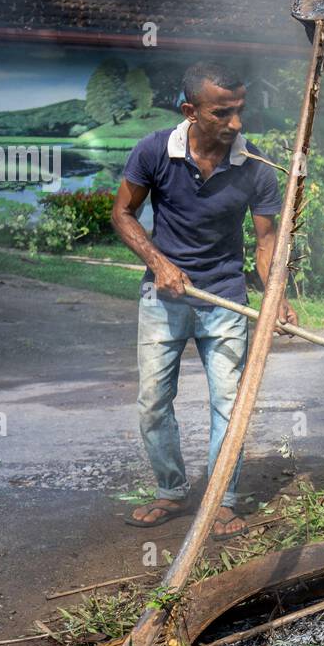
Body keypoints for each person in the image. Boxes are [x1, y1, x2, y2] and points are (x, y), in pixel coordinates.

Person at [111, 63, 297, 539]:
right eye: (222, 112)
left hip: (225, 298)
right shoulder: (155, 150)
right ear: (190, 111)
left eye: (239, 110)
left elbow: (265, 244)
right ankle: (172, 491)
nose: (235, 123)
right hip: (164, 297)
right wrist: (159, 263)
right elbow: (123, 214)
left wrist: (275, 298)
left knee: (229, 405)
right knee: (153, 402)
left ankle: (222, 500)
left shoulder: (256, 166)